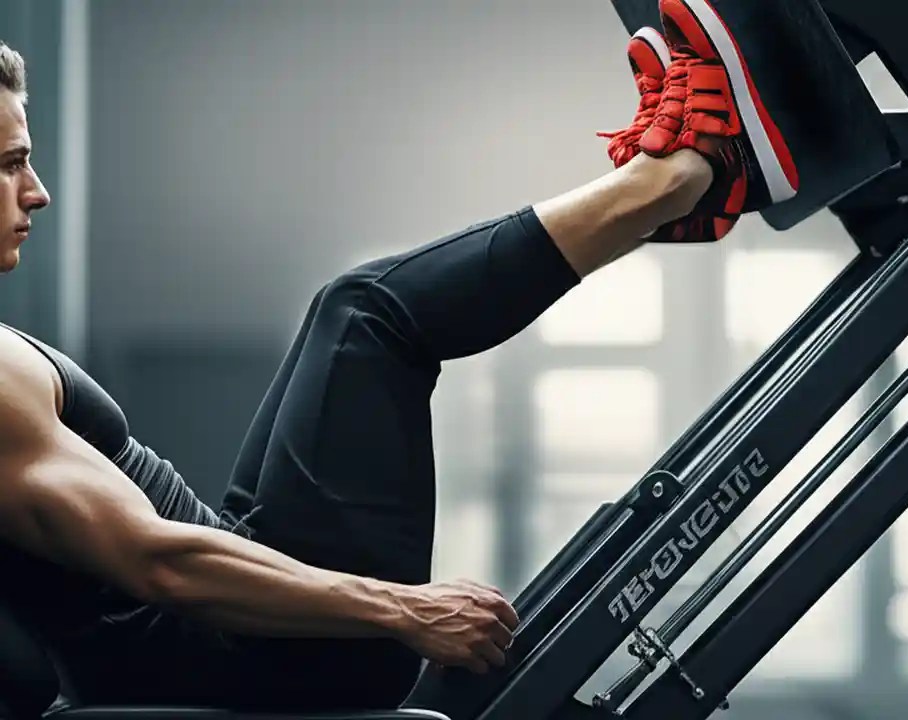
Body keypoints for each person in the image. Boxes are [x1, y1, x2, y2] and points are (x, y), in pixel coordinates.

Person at [0, 0, 797, 712]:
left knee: (340, 310)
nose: (35, 190)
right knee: (367, 314)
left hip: (227, 626)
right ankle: (680, 178)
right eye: (9, 164)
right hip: (267, 656)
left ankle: (664, 200)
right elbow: (155, 565)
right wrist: (404, 609)